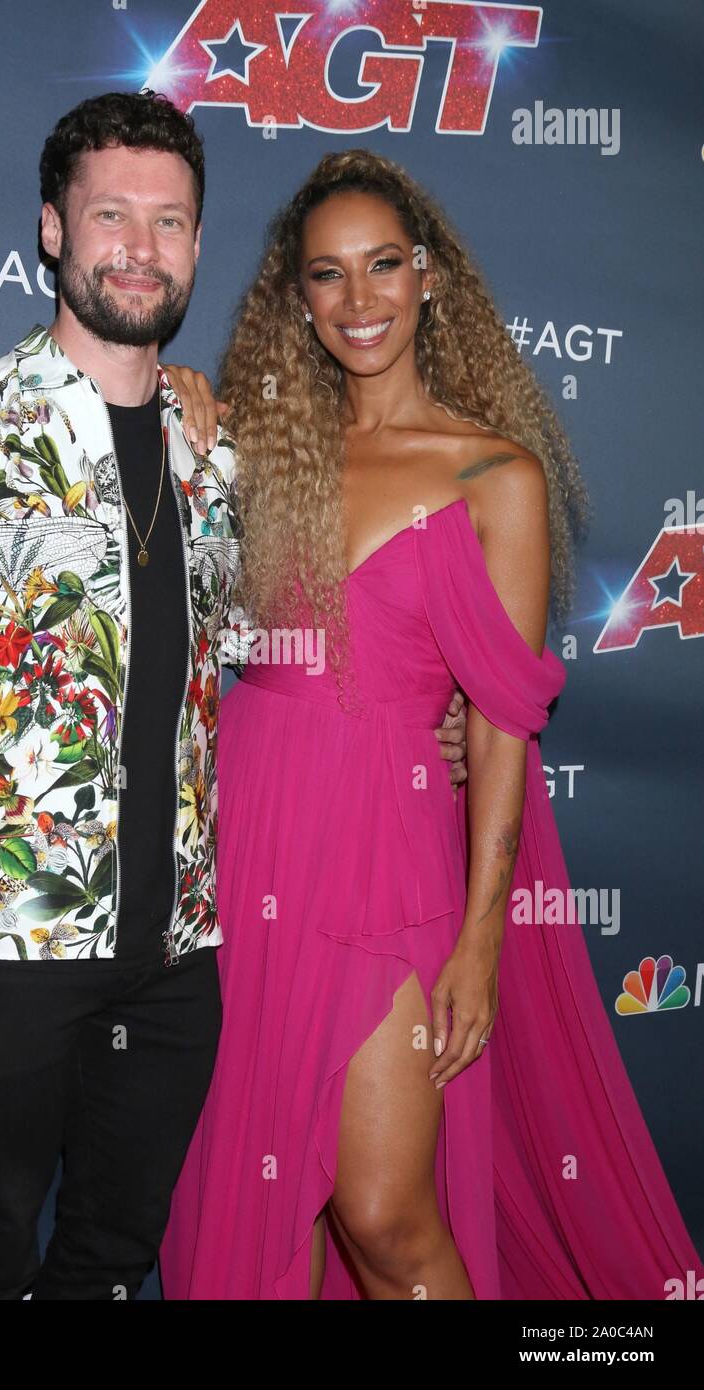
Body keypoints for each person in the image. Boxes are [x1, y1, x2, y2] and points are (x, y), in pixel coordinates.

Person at [0, 95, 463, 1300]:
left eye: (168, 221)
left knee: (116, 1258)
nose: (138, 246)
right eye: (109, 215)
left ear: (194, 243)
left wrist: (425, 709)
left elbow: (259, 644)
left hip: (178, 957)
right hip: (2, 951)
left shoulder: (210, 453)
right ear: (51, 232)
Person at [158, 149, 703, 1299]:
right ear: (294, 299)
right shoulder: (254, 457)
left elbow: (503, 727)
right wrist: (184, 404)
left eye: (383, 266)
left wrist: (478, 940)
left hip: (389, 860)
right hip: (244, 848)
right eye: (326, 275)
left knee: (383, 1214)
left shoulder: (493, 477)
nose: (359, 301)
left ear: (430, 277)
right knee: (267, 1205)